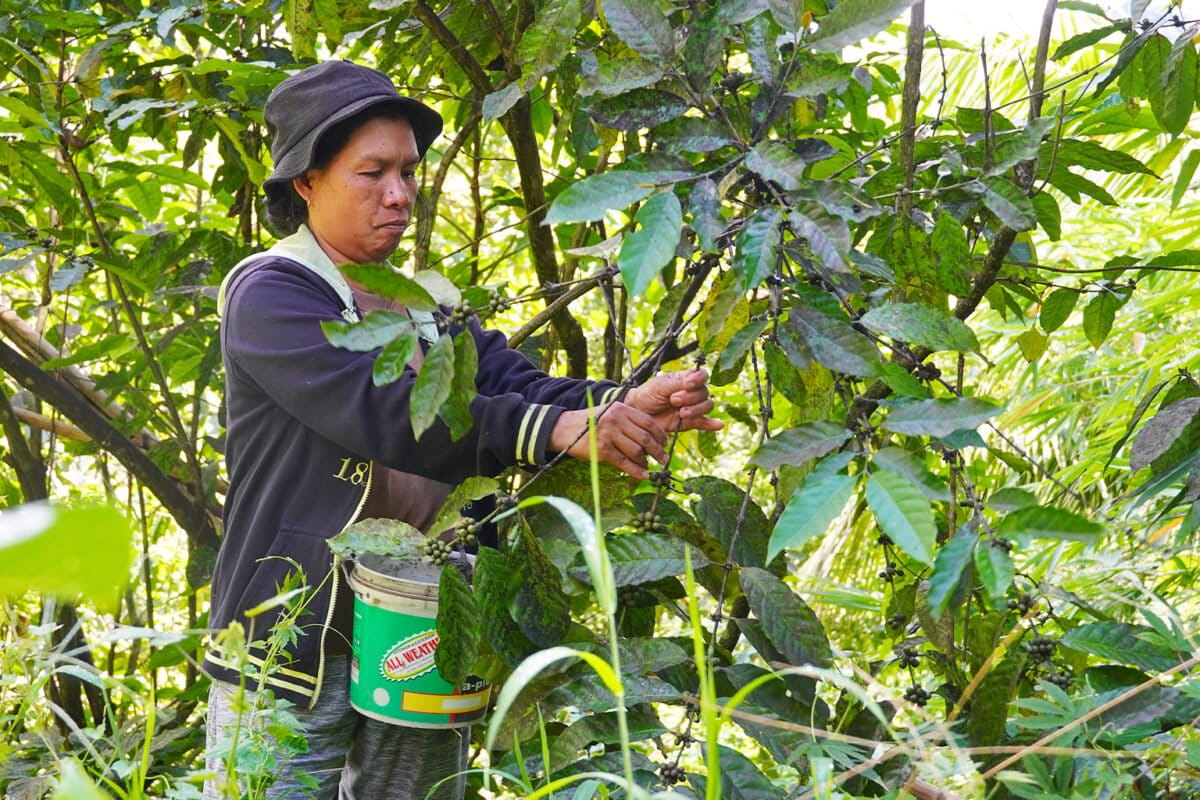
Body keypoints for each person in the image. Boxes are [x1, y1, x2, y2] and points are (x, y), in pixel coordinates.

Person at [201, 60, 721, 799]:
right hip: (291, 638)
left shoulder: (424, 303)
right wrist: (557, 428)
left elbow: (515, 385)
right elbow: (385, 416)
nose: (399, 194)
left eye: (408, 172)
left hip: (422, 616)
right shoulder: (270, 294)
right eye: (372, 173)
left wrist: (626, 403)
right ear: (308, 182)